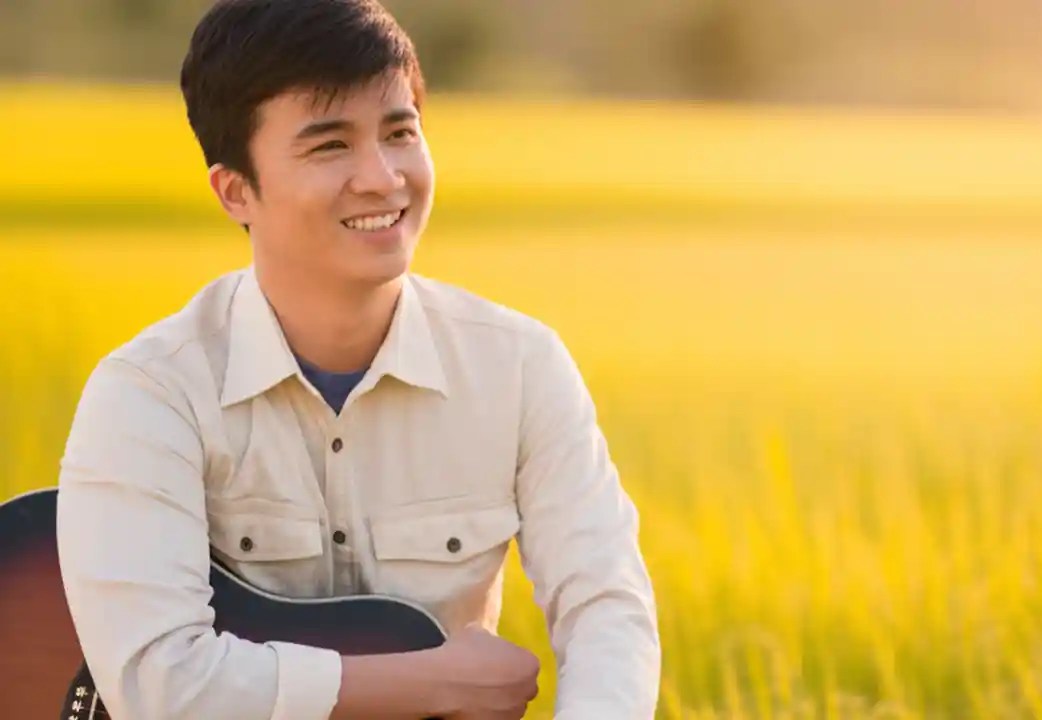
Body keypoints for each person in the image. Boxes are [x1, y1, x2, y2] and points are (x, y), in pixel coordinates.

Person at [54, 1, 661, 718]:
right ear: (236, 191)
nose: (382, 177)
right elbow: (160, 684)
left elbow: (606, 608)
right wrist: (433, 682)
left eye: (400, 133)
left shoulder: (521, 366)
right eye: (330, 145)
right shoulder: (151, 394)